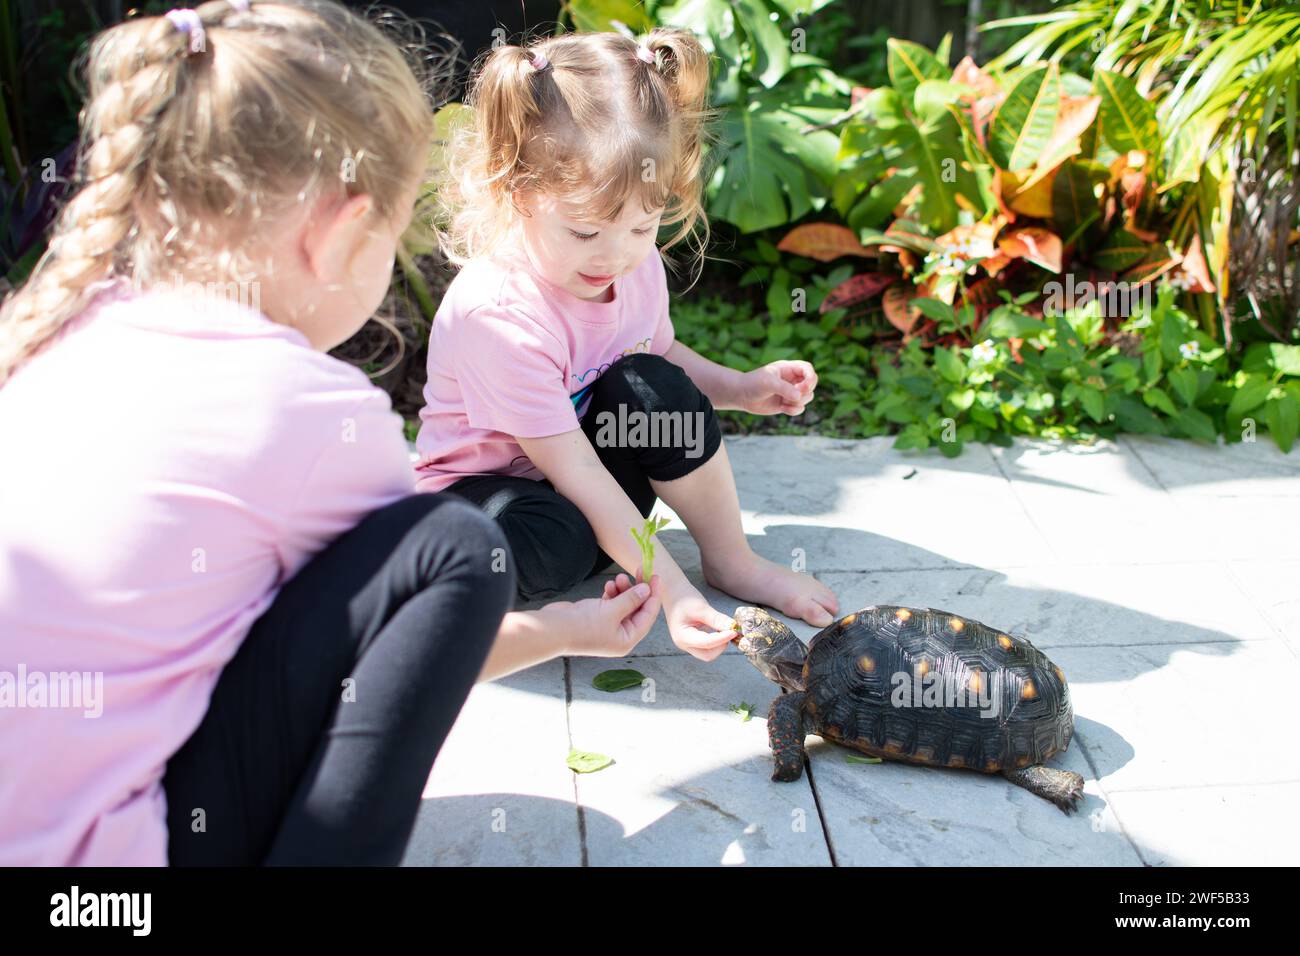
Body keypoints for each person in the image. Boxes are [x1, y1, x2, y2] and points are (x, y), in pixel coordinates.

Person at [0, 0, 659, 867]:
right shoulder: (309, 411)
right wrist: (570, 631)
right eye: (395, 234)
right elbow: (400, 645)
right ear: (346, 231)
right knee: (453, 550)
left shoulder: (57, 334)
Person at [413, 28, 841, 662]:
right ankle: (587, 555)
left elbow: (659, 355)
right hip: (486, 495)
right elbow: (577, 473)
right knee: (546, 542)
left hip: (580, 474)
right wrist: (670, 592)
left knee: (651, 388)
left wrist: (742, 388)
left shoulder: (627, 264)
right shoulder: (498, 315)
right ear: (521, 192)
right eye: (585, 230)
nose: (614, 253)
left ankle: (731, 561)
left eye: (643, 224)